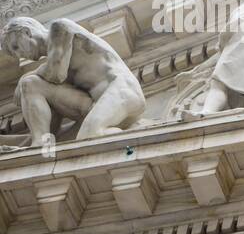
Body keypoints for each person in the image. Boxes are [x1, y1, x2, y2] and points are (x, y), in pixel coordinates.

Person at [1, 17, 144, 148]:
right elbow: (53, 115)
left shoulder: (60, 28)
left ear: (27, 32)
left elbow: (57, 73)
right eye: (15, 54)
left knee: (90, 136)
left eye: (16, 47)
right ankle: (40, 144)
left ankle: (142, 134)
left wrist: (26, 76)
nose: (19, 55)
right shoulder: (52, 64)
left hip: (122, 92)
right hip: (93, 106)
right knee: (31, 84)